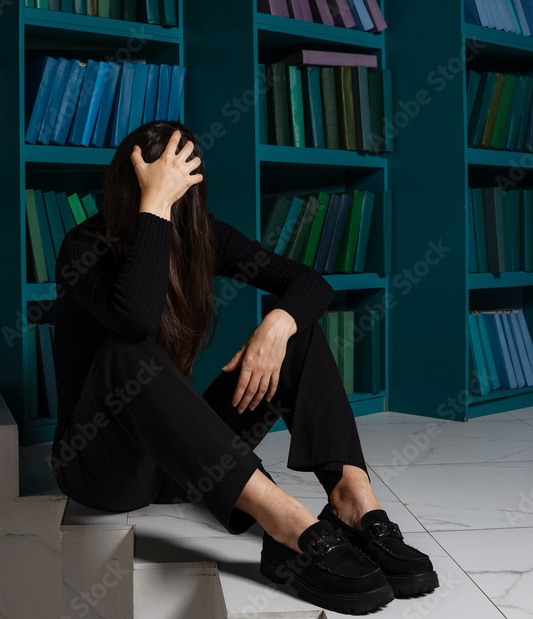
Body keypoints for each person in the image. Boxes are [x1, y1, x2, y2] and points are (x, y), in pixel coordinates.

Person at [49, 121, 437, 614]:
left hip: (177, 461)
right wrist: (155, 207)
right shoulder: (83, 247)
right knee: (127, 353)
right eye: (155, 183)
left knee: (298, 332)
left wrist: (277, 323)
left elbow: (310, 282)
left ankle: (352, 499)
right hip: (98, 468)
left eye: (176, 186)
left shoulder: (201, 234)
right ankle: (285, 523)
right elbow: (136, 318)